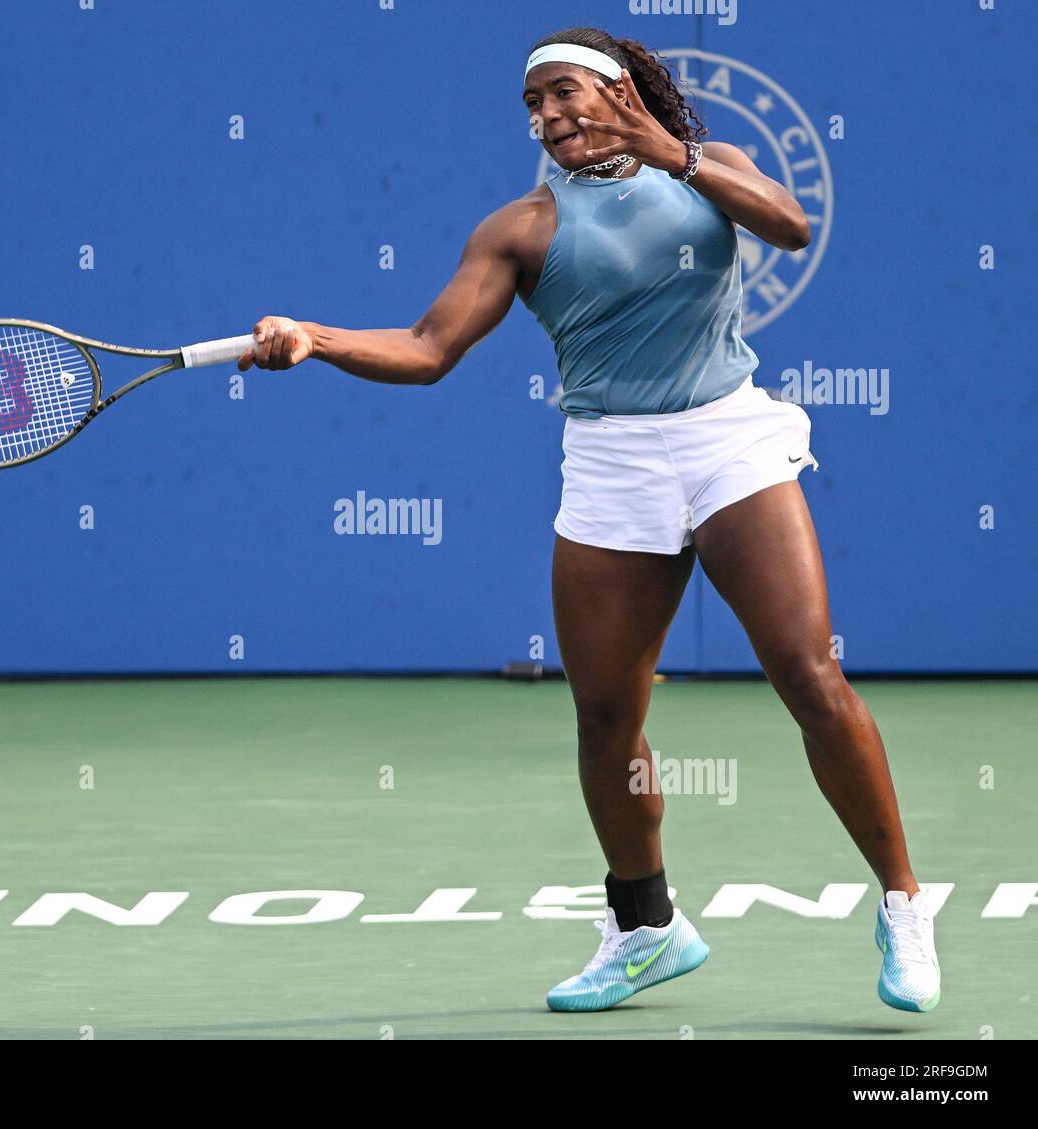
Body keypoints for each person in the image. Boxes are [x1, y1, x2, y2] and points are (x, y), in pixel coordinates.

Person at [238, 26, 940, 1015]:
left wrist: (675, 155)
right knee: (606, 715)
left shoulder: (710, 168)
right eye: (534, 105)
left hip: (729, 438)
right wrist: (315, 338)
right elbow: (429, 346)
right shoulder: (519, 228)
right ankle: (646, 925)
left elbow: (788, 225)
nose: (549, 115)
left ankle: (903, 904)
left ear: (618, 89)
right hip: (611, 461)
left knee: (809, 676)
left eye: (564, 92)